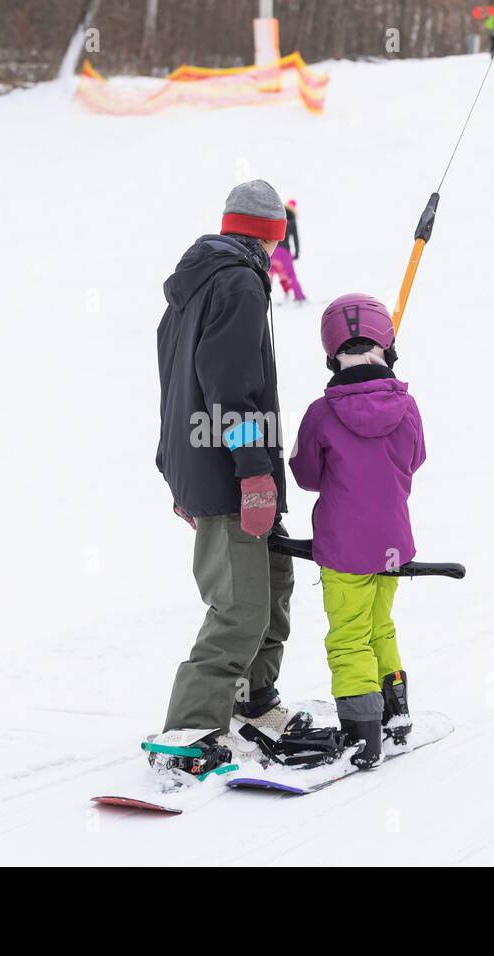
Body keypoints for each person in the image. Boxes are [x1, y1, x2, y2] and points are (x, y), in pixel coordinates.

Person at [153, 180, 299, 777]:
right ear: (266, 239)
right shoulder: (237, 284)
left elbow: (174, 391)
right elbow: (229, 392)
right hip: (230, 475)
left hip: (207, 467)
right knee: (240, 608)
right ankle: (190, 729)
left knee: (273, 587)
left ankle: (251, 699)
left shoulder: (195, 288)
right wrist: (253, 475)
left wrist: (174, 472)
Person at [289, 294, 425, 769]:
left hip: (343, 549)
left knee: (348, 635)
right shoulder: (407, 408)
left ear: (331, 353)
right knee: (379, 625)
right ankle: (396, 711)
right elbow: (416, 460)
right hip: (392, 546)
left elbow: (307, 477)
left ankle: (362, 732)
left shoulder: (321, 414)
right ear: (387, 348)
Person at [268, 199, 306, 303]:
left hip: (272, 250)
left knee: (267, 275)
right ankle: (299, 297)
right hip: (285, 252)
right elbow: (295, 238)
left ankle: (262, 297)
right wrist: (297, 253)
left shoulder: (277, 218)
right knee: (291, 275)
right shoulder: (292, 221)